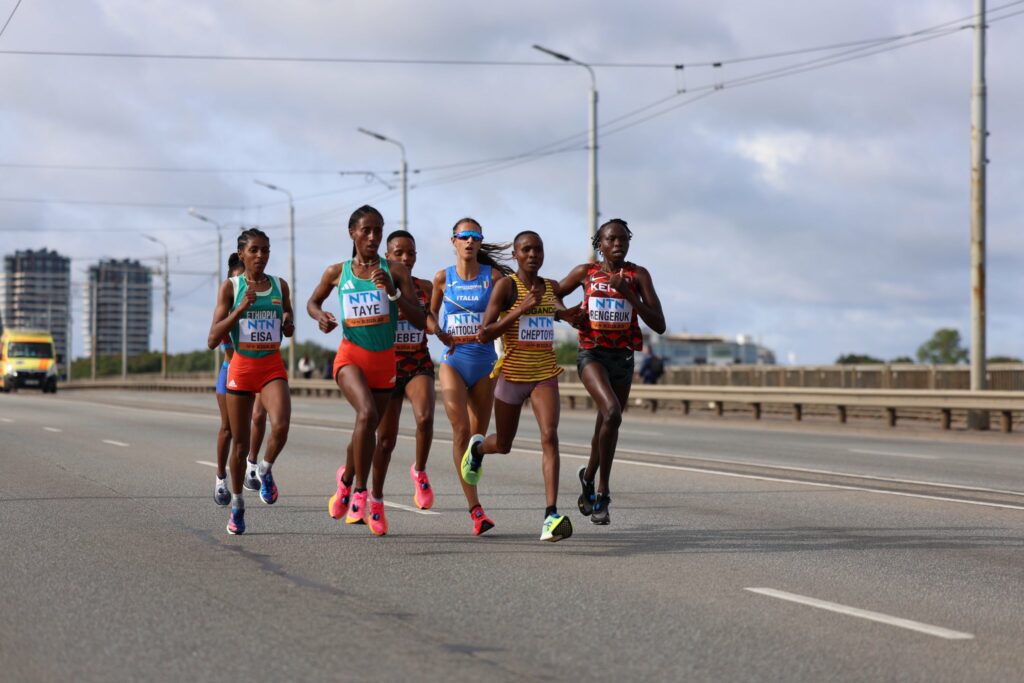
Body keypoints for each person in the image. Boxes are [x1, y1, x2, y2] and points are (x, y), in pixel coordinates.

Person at [307, 205, 425, 536]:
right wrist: (321, 317)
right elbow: (312, 303)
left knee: (373, 430)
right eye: (366, 230)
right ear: (352, 234)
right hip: (350, 358)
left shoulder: (396, 270)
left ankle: (351, 485)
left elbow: (419, 318)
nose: (373, 237)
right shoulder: (337, 271)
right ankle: (361, 492)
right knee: (366, 415)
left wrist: (393, 291)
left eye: (378, 230)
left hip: (384, 361)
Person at [461, 230, 581, 542]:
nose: (532, 255)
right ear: (515, 255)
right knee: (503, 444)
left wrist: (573, 316)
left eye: (537, 249)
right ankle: (477, 448)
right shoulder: (506, 287)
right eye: (526, 250)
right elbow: (484, 333)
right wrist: (518, 310)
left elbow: (558, 313)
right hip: (512, 376)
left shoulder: (550, 287)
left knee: (549, 436)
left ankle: (550, 515)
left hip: (544, 373)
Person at [556, 218, 665, 525]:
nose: (617, 244)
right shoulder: (585, 272)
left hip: (623, 358)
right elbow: (552, 293)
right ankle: (603, 491)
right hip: (592, 354)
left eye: (623, 239)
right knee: (613, 412)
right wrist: (566, 315)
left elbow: (659, 323)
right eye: (611, 239)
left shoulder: (637, 275)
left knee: (607, 423)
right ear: (599, 244)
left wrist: (630, 294)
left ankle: (589, 478)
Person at [207, 227, 295, 535]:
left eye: (266, 250)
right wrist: (240, 309)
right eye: (255, 250)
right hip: (241, 368)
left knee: (281, 424)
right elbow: (212, 338)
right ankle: (237, 505)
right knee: (240, 441)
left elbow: (289, 324)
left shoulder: (279, 285)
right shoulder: (230, 288)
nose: (261, 256)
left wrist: (287, 321)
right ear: (242, 254)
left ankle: (265, 469)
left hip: (271, 366)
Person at [430, 217, 511, 536]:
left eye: (475, 237)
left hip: (485, 364)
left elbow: (508, 314)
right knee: (460, 429)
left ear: (480, 242)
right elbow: (430, 314)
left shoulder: (494, 277)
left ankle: (474, 473)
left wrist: (504, 346)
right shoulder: (442, 278)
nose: (469, 242)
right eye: (463, 237)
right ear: (454, 241)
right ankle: (476, 510)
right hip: (453, 360)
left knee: (476, 441)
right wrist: (437, 332)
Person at [373, 230, 437, 510]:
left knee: (424, 418)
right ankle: (374, 496)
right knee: (385, 441)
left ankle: (420, 471)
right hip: (387, 367)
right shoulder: (373, 286)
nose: (405, 258)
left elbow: (429, 318)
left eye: (410, 253)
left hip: (418, 363)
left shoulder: (425, 287)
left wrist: (438, 329)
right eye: (398, 253)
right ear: (387, 257)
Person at [213, 253, 245, 506]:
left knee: (257, 422)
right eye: (235, 280)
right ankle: (220, 478)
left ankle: (256, 466)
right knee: (228, 428)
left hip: (255, 373)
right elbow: (213, 338)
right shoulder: (226, 309)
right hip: (229, 372)